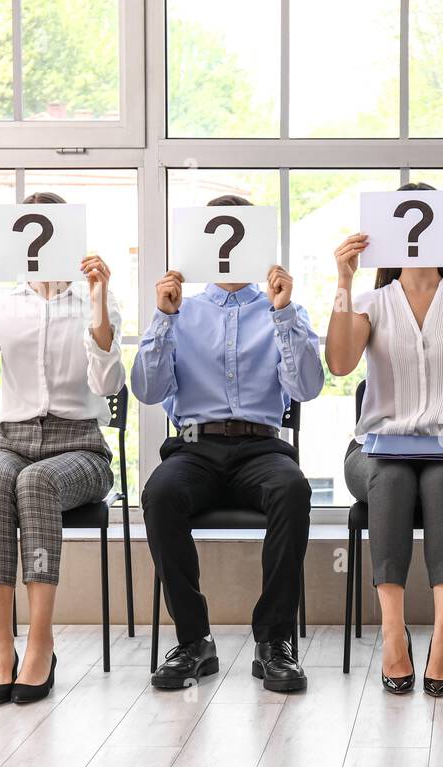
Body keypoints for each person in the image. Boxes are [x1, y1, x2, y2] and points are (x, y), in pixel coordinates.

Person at [133, 195, 324, 694]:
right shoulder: (180, 311)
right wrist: (163, 321)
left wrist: (283, 315)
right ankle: (194, 641)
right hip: (194, 448)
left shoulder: (286, 310)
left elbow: (306, 389)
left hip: (262, 450)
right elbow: (148, 392)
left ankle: (274, 642)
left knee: (293, 490)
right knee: (159, 495)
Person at [327, 182, 443, 697]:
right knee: (391, 479)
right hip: (378, 449)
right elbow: (340, 364)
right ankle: (392, 631)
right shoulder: (370, 302)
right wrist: (343, 278)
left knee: (442, 479)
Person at [0, 191, 123, 705]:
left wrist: (98, 303)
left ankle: (41, 643)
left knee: (36, 482)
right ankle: (1, 645)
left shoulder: (97, 300)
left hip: (81, 449)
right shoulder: (3, 303)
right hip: (12, 439)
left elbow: (109, 383)